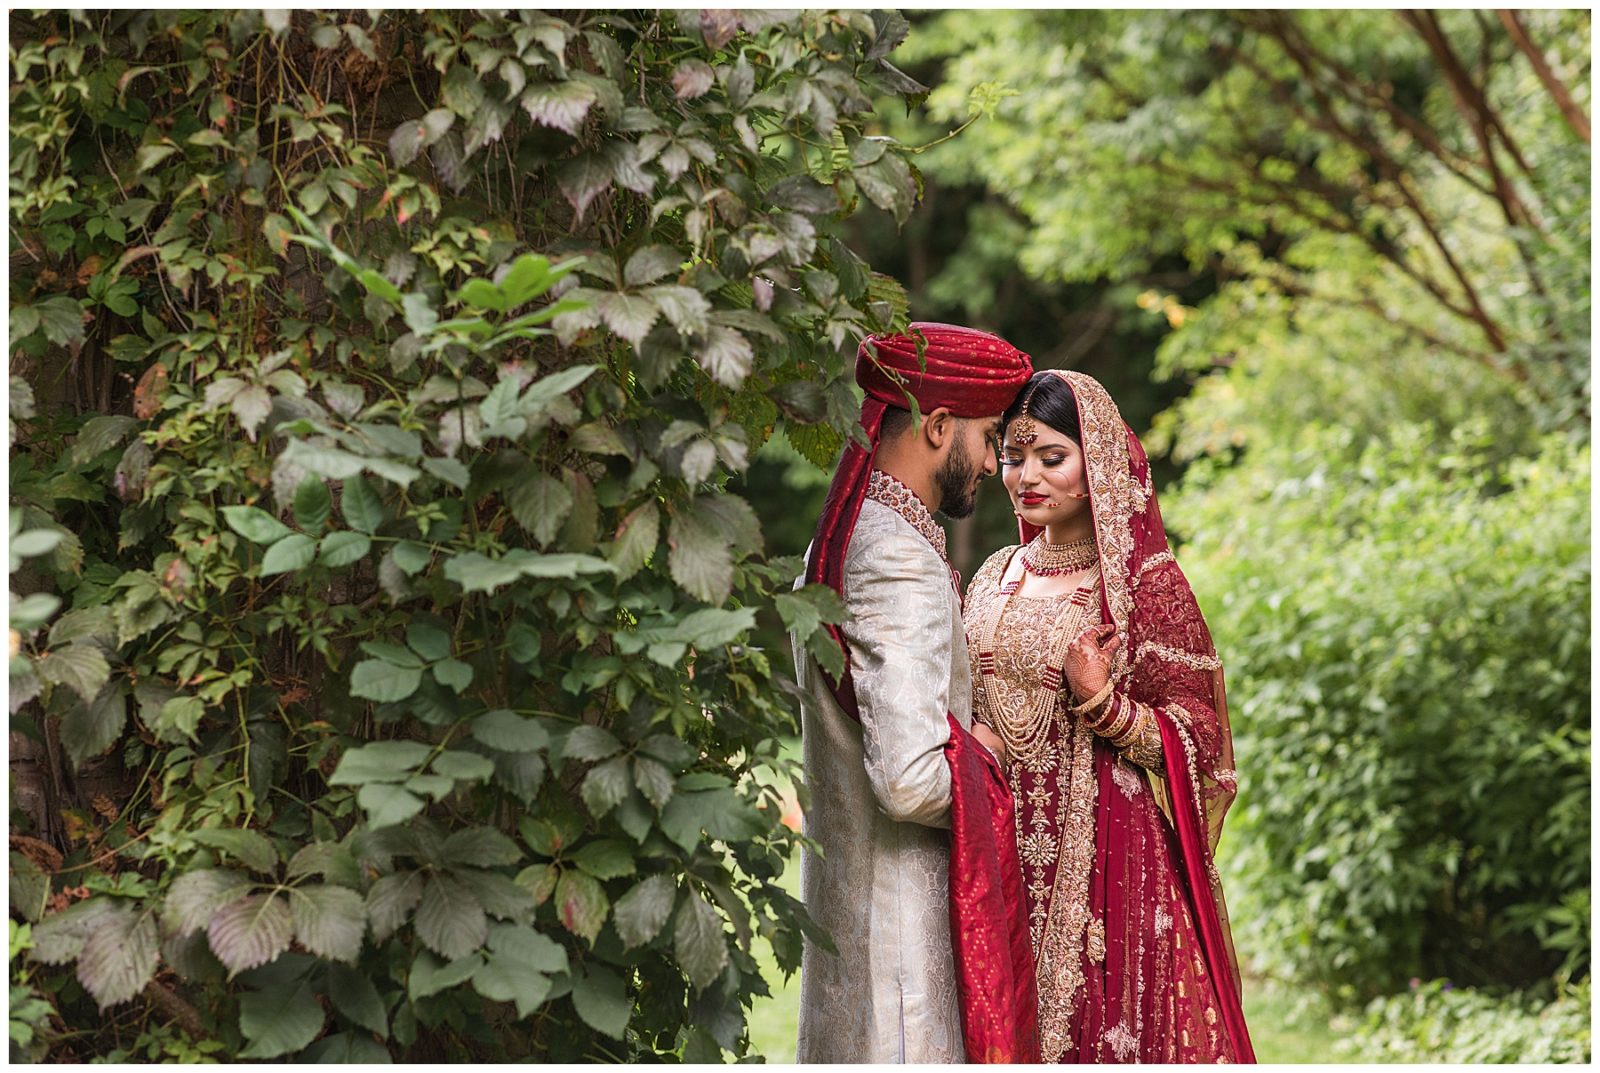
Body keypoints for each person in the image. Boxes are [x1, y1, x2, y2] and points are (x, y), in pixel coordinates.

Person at [962, 369, 1256, 1063]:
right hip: (995, 852)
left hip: (1108, 869)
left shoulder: (1146, 586)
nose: (1026, 474)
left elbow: (1202, 734)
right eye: (1013, 455)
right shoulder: (993, 572)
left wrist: (1105, 704)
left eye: (1051, 457)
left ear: (1096, 462)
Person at [793, 323, 1036, 1064]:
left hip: (850, 928)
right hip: (902, 960)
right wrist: (995, 757)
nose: (996, 464)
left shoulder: (846, 534)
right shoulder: (897, 558)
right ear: (937, 426)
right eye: (992, 437)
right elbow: (908, 778)